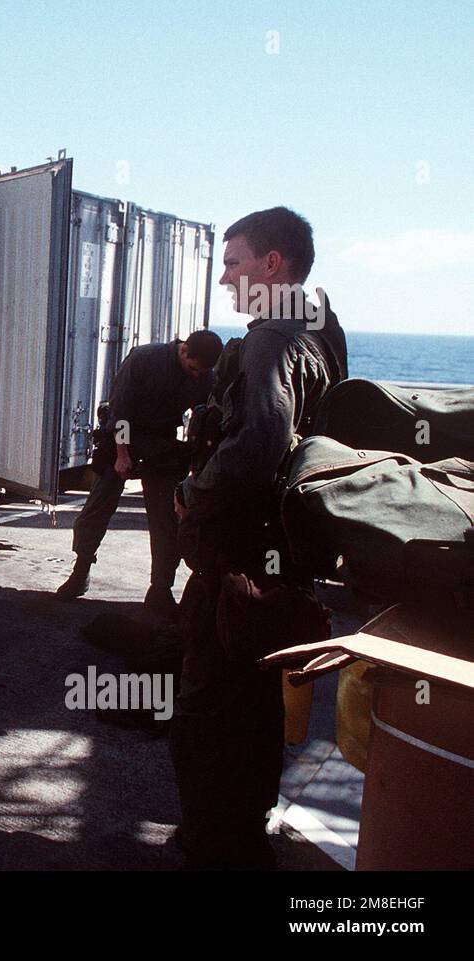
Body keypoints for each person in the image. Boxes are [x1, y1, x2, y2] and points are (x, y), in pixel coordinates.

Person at [169, 206, 347, 869]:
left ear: (273, 265)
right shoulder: (323, 331)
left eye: (234, 262)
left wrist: (194, 495)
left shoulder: (272, 337)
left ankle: (213, 843)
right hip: (282, 562)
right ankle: (244, 837)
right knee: (256, 706)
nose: (224, 278)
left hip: (239, 562)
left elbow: (262, 439)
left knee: (204, 712)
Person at [55, 330, 223, 614]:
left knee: (165, 519)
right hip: (123, 434)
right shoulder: (145, 358)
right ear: (184, 351)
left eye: (202, 372)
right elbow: (119, 410)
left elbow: (205, 414)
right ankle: (80, 571)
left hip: (161, 443)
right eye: (193, 368)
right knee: (98, 507)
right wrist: (122, 455)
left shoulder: (204, 376)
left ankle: (160, 588)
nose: (197, 376)